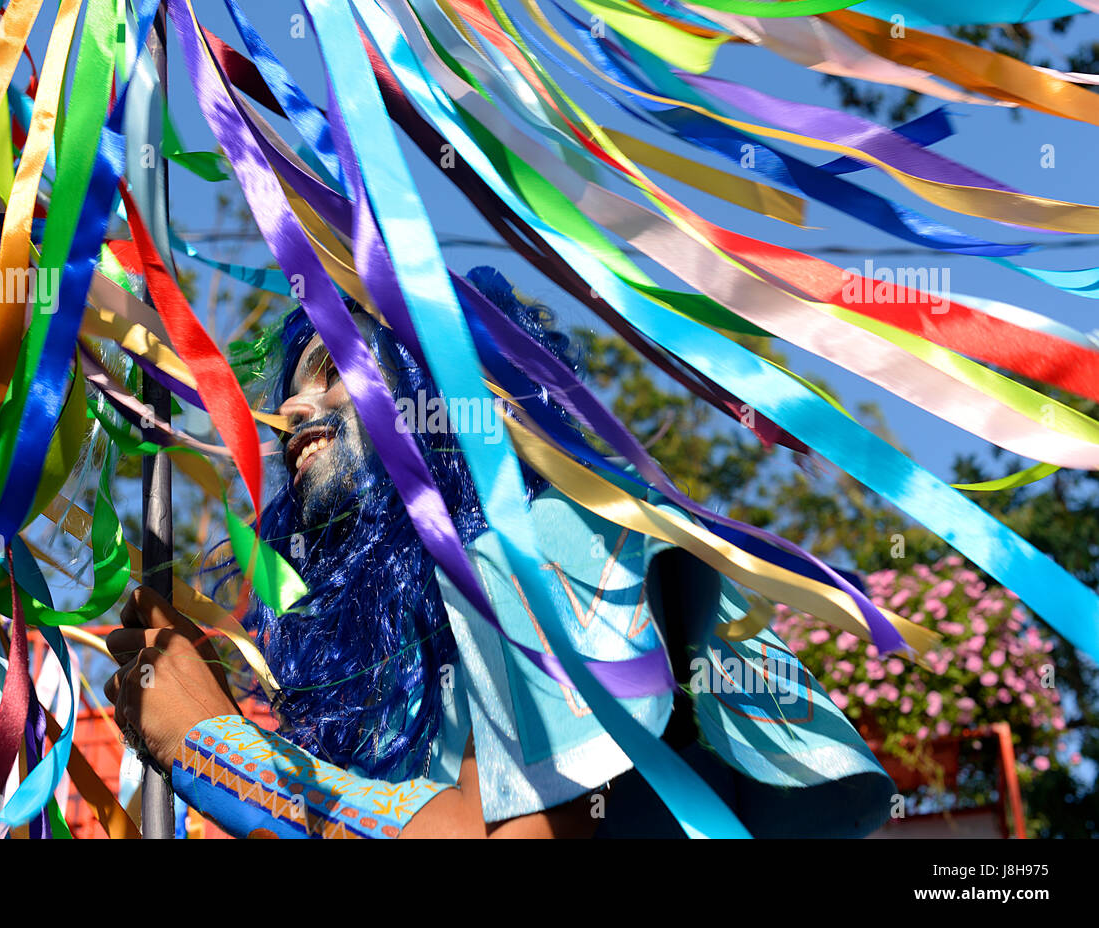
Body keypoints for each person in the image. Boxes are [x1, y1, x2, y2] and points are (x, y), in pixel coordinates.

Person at [104, 266, 894, 839]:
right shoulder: (400, 641)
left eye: (339, 369)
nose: (295, 407)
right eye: (292, 386)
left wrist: (213, 745)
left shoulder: (548, 536)